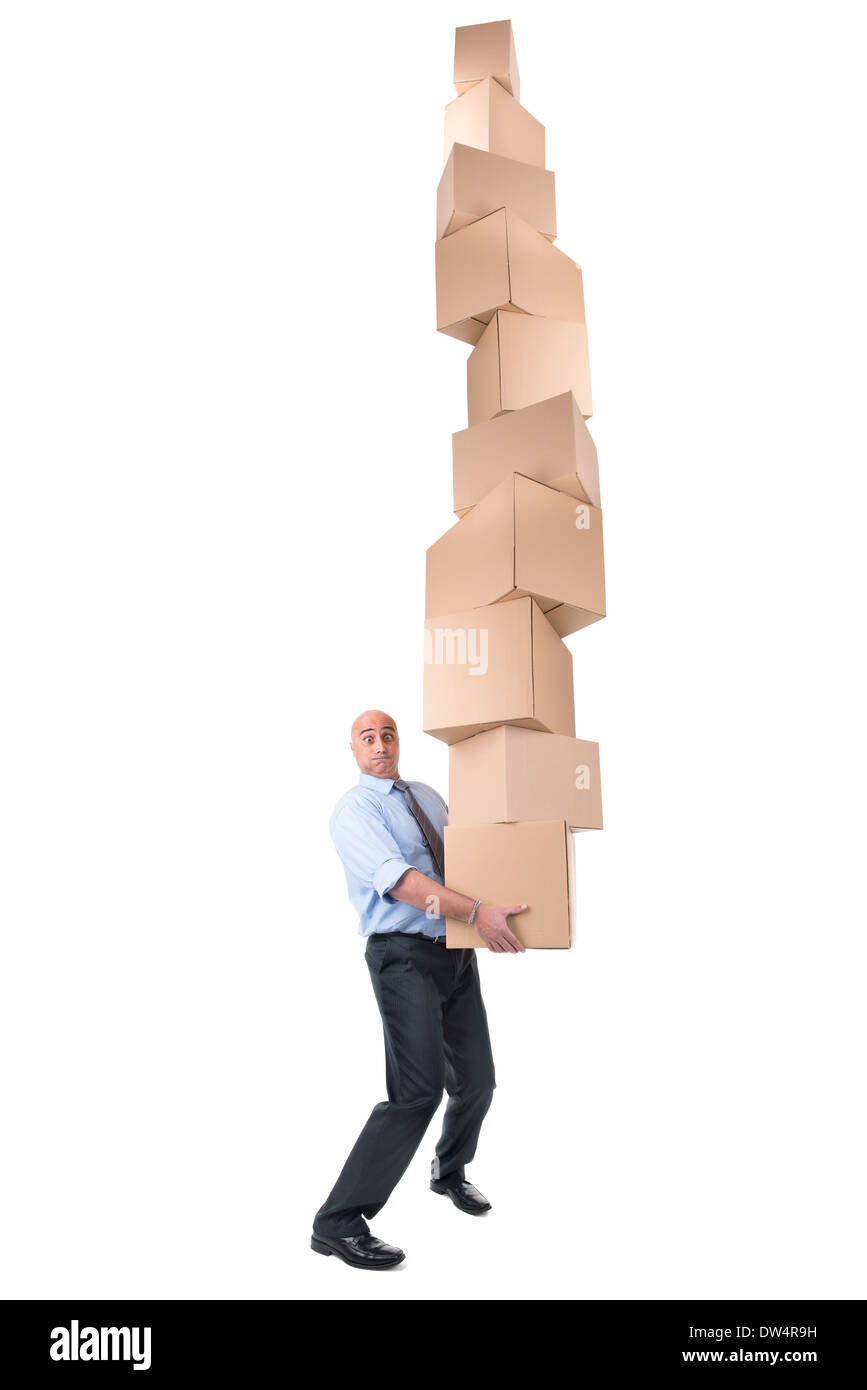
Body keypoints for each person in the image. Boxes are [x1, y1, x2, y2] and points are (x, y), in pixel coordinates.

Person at [310, 708, 528, 1270]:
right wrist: (478, 911)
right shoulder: (354, 811)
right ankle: (337, 1222)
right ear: (353, 749)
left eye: (388, 734)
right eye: (368, 737)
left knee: (478, 1080)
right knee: (417, 1092)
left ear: (398, 741)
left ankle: (448, 1171)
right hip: (401, 957)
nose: (380, 745)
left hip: (453, 952)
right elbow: (406, 886)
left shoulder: (428, 796)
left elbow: (468, 857)